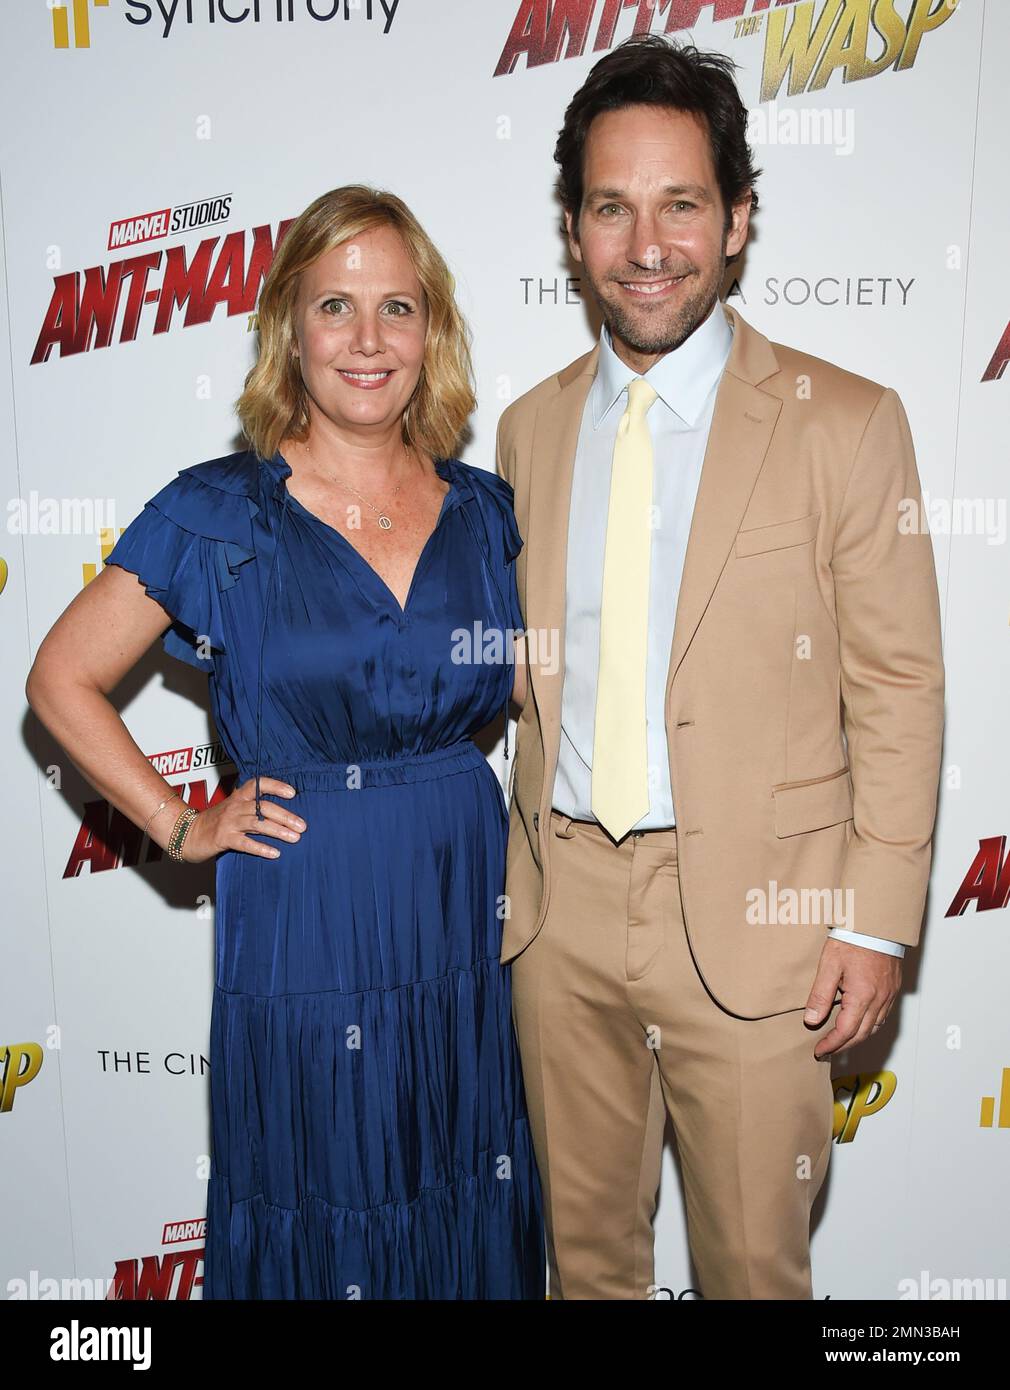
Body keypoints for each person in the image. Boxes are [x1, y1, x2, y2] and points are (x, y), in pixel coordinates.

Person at [26, 185, 545, 1300]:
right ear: (287, 330)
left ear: (432, 331)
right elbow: (59, 678)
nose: (367, 340)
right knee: (329, 1177)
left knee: (460, 1167)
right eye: (335, 307)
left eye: (396, 307)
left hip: (460, 897)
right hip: (307, 908)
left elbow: (528, 689)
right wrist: (176, 822)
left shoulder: (485, 510)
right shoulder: (219, 513)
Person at [495, 36, 944, 1299]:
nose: (647, 244)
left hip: (768, 929)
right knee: (583, 1270)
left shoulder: (844, 422)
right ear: (573, 228)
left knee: (752, 1272)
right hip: (560, 913)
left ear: (737, 219)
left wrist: (873, 919)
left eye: (681, 203)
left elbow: (900, 686)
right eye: (611, 207)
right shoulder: (527, 429)